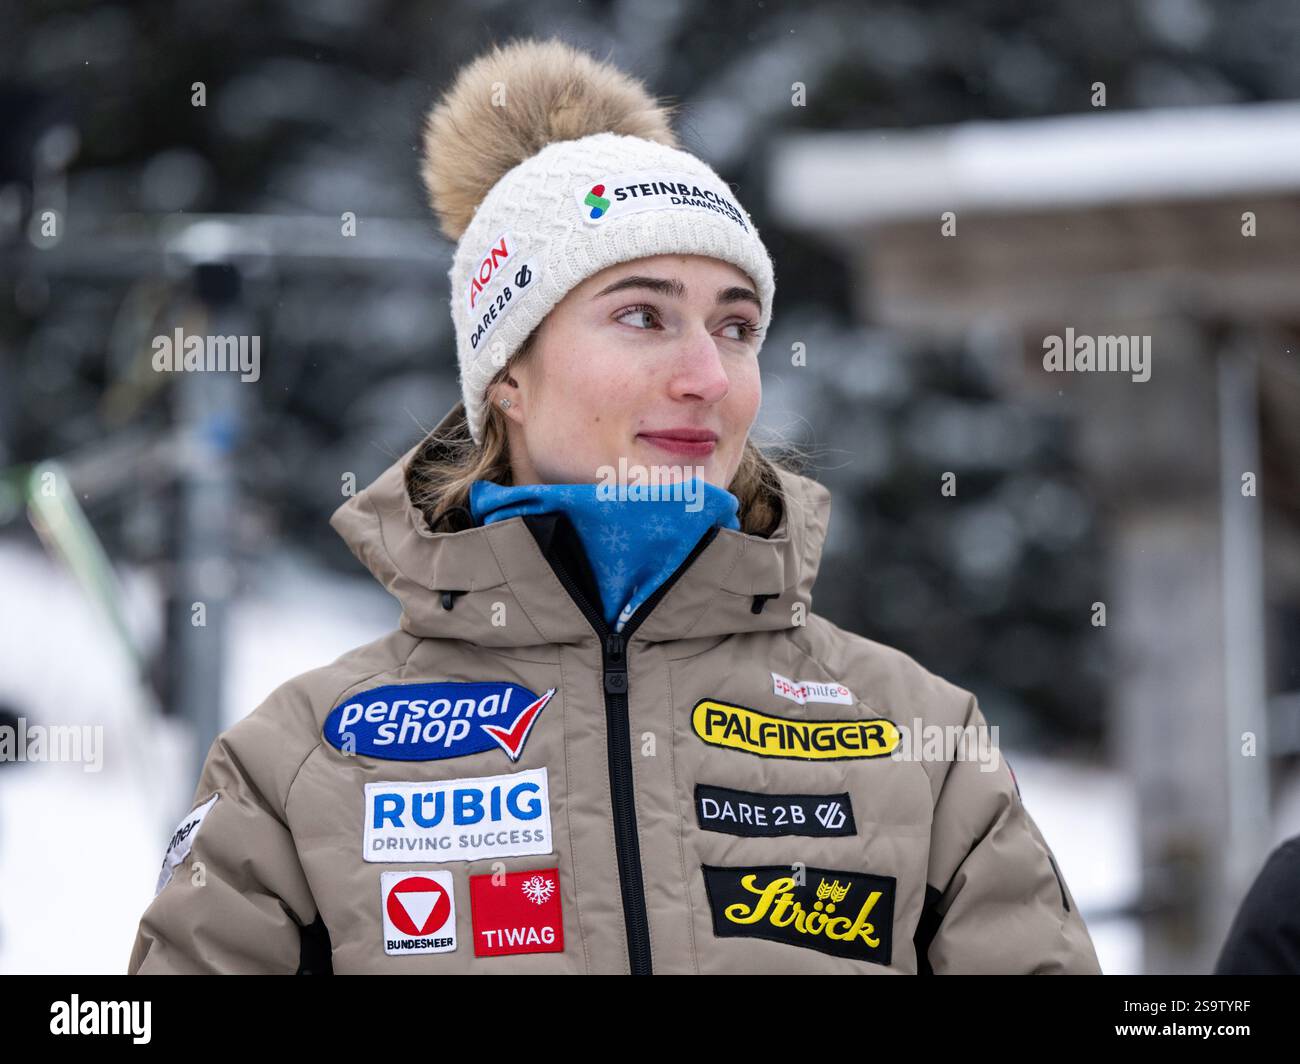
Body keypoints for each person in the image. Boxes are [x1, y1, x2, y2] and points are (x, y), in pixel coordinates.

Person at [127, 36, 1101, 974]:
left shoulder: (920, 738)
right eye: (643, 314)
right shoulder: (299, 759)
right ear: (506, 372)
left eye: (736, 325)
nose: (705, 375)